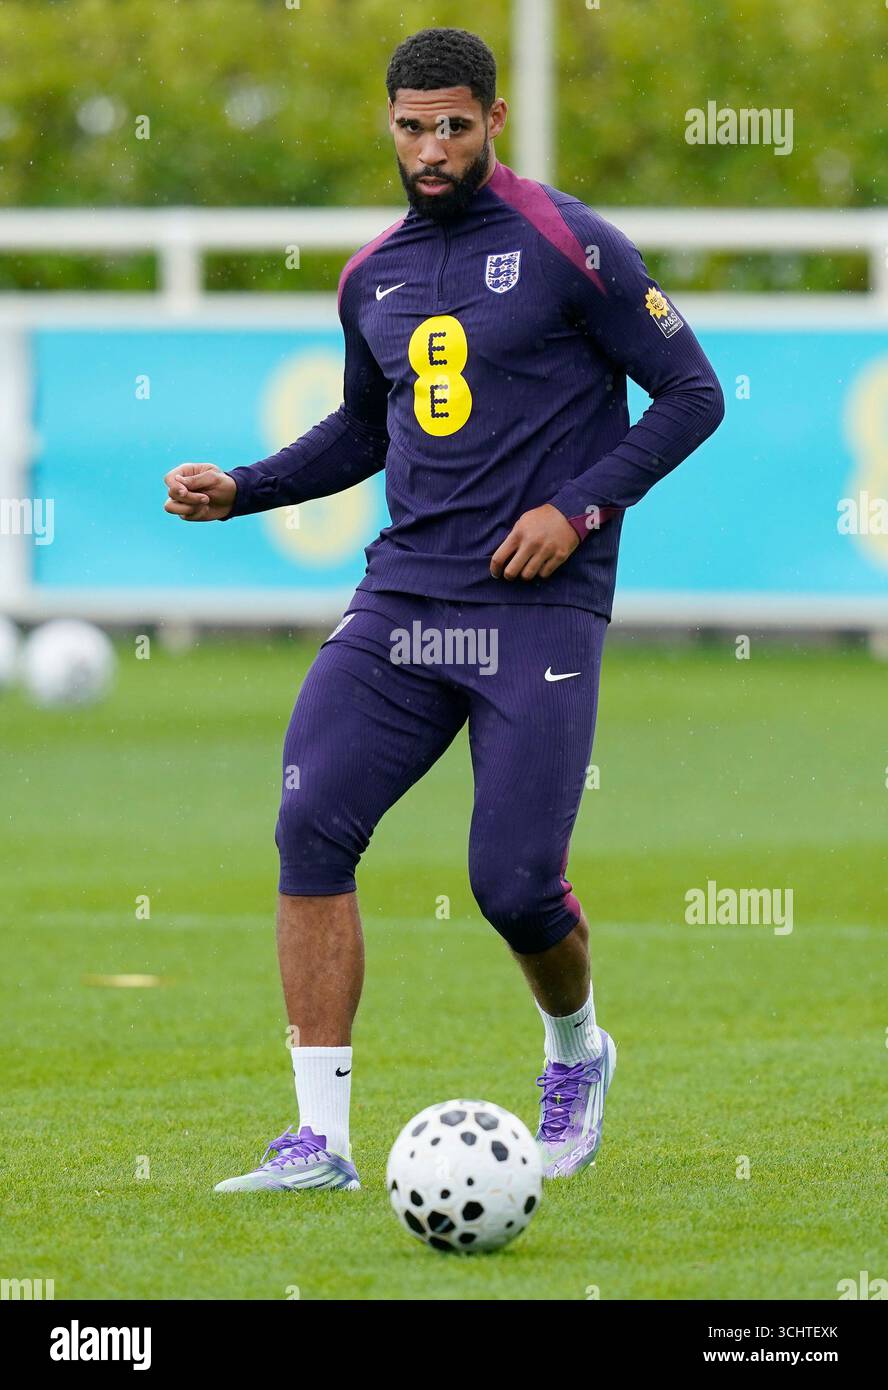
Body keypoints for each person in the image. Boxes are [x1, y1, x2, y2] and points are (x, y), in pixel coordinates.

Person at [163, 26, 724, 1193]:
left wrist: (578, 507)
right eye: (413, 126)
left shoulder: (571, 242)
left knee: (514, 884)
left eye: (454, 125)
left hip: (539, 609)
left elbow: (691, 393)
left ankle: (577, 1050)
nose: (432, 148)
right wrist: (245, 488)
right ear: (391, 123)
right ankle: (317, 1139)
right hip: (406, 601)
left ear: (494, 120)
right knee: (311, 823)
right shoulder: (372, 273)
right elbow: (367, 430)